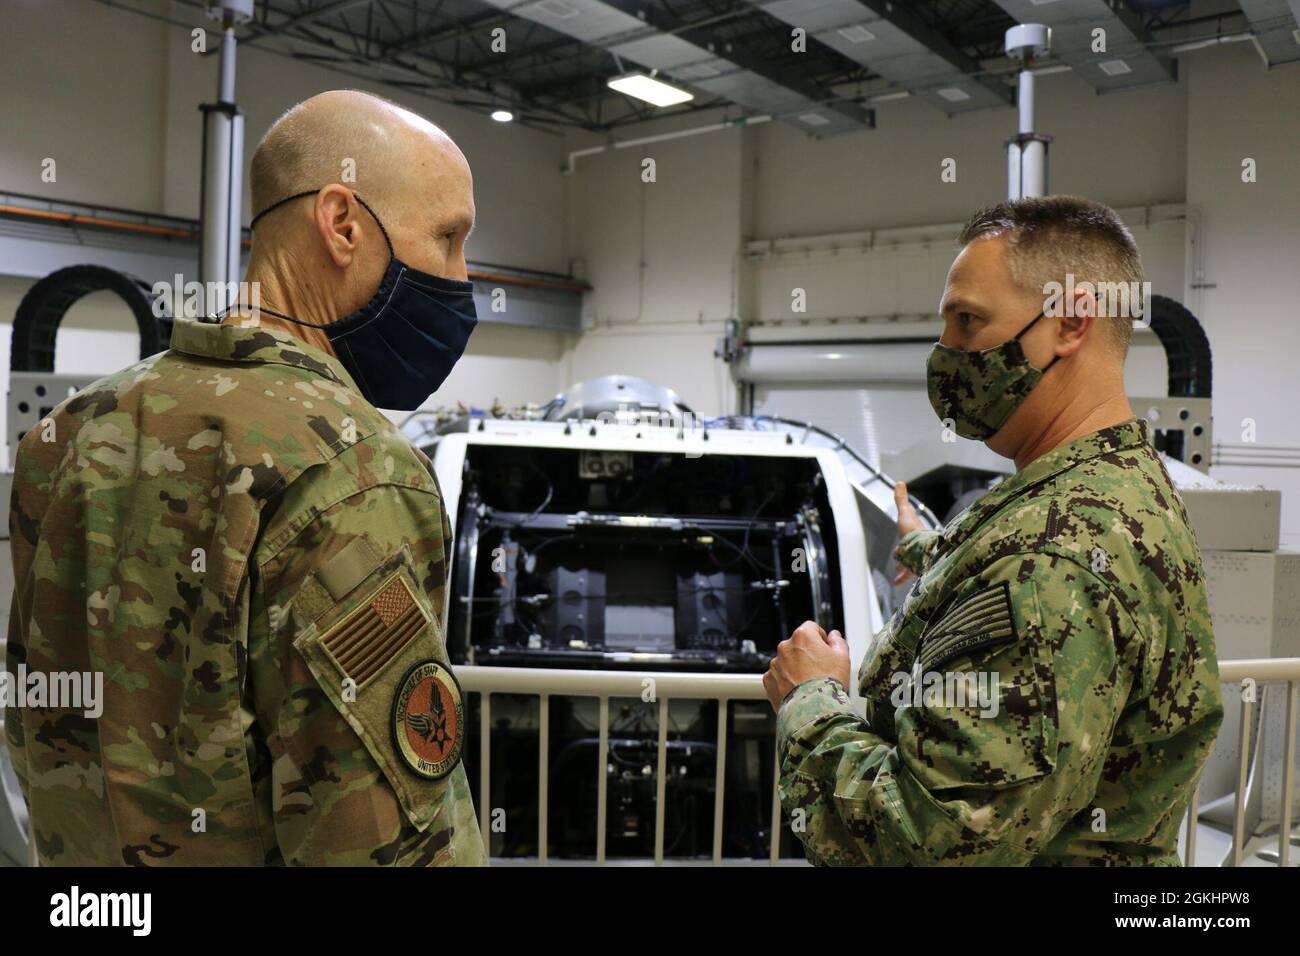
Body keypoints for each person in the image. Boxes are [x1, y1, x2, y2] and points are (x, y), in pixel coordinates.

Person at [5, 90, 485, 865]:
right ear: (342, 224)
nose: (461, 278)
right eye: (449, 237)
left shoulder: (69, 431)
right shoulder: (353, 468)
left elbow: (36, 724)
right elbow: (378, 841)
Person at [763, 196, 1223, 865]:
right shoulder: (1116, 485)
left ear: (1069, 323)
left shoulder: (1054, 557)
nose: (946, 351)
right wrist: (924, 545)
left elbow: (934, 840)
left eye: (968, 320)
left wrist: (810, 702)